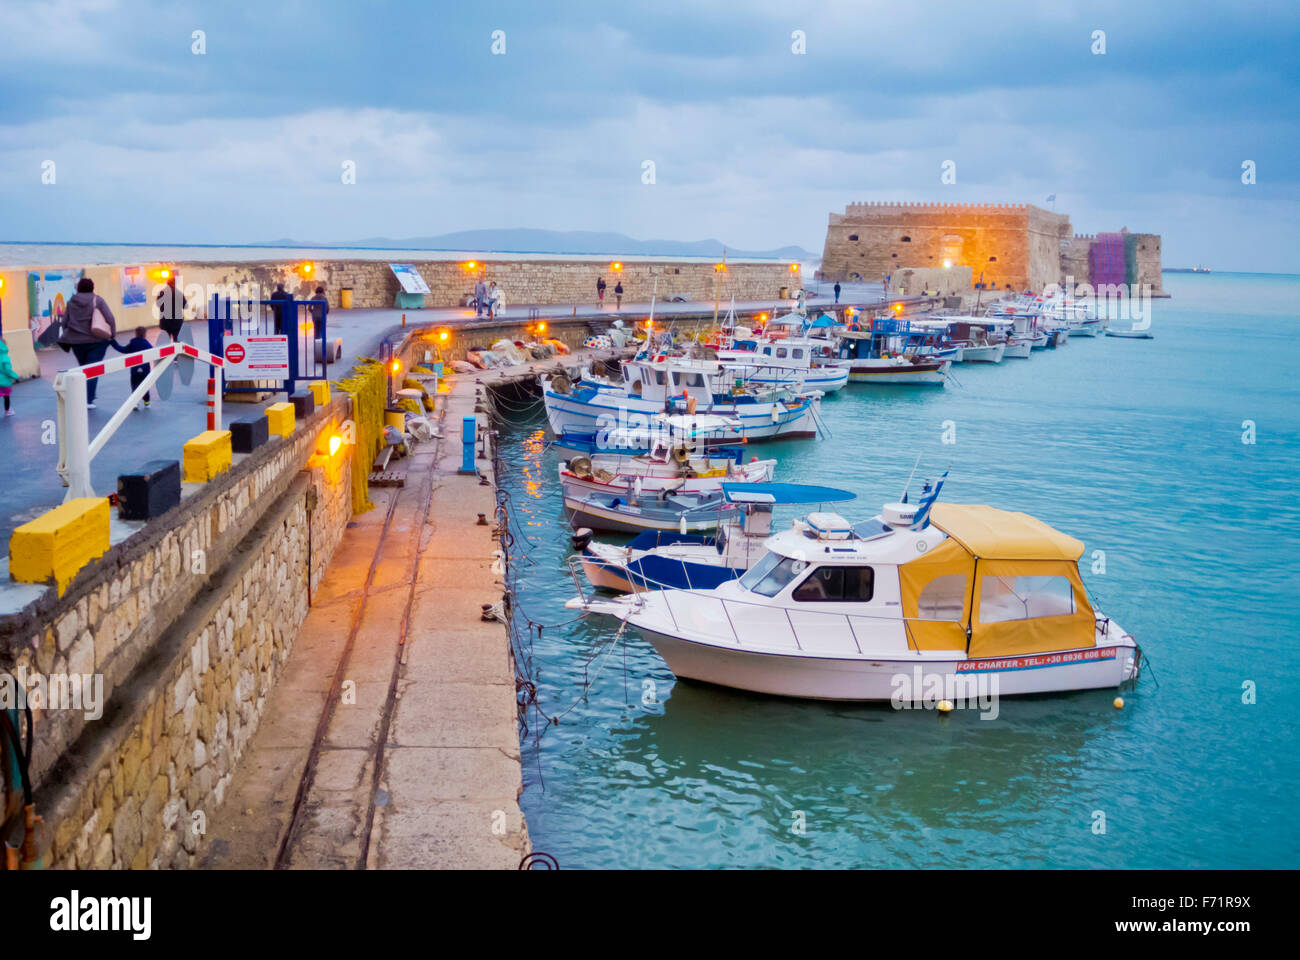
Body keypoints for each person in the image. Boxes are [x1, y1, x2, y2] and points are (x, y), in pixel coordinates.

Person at [59, 278, 117, 407]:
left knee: (84, 368)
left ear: (78, 288)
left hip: (76, 343)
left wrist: (71, 335)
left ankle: (85, 396)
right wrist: (112, 334)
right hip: (96, 341)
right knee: (92, 370)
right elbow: (110, 318)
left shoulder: (71, 302)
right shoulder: (98, 300)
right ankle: (88, 399)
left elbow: (64, 322)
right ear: (92, 287)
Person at [111, 327, 153, 410]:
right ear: (145, 334)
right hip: (145, 369)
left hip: (135, 369)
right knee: (145, 386)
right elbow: (152, 352)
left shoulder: (133, 342)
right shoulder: (146, 343)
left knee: (134, 386)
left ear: (136, 333)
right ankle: (147, 402)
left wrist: (113, 342)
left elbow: (123, 350)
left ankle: (135, 403)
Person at [155, 276, 188, 341]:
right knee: (177, 341)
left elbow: (157, 304)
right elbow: (185, 306)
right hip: (177, 322)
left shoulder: (161, 293)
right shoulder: (179, 293)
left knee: (165, 343)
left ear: (167, 283)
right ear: (175, 283)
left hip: (165, 322)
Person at [0, 335, 17, 417]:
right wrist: (15, 376)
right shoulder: (5, 357)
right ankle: (7, 411)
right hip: (4, 382)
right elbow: (7, 370)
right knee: (6, 397)